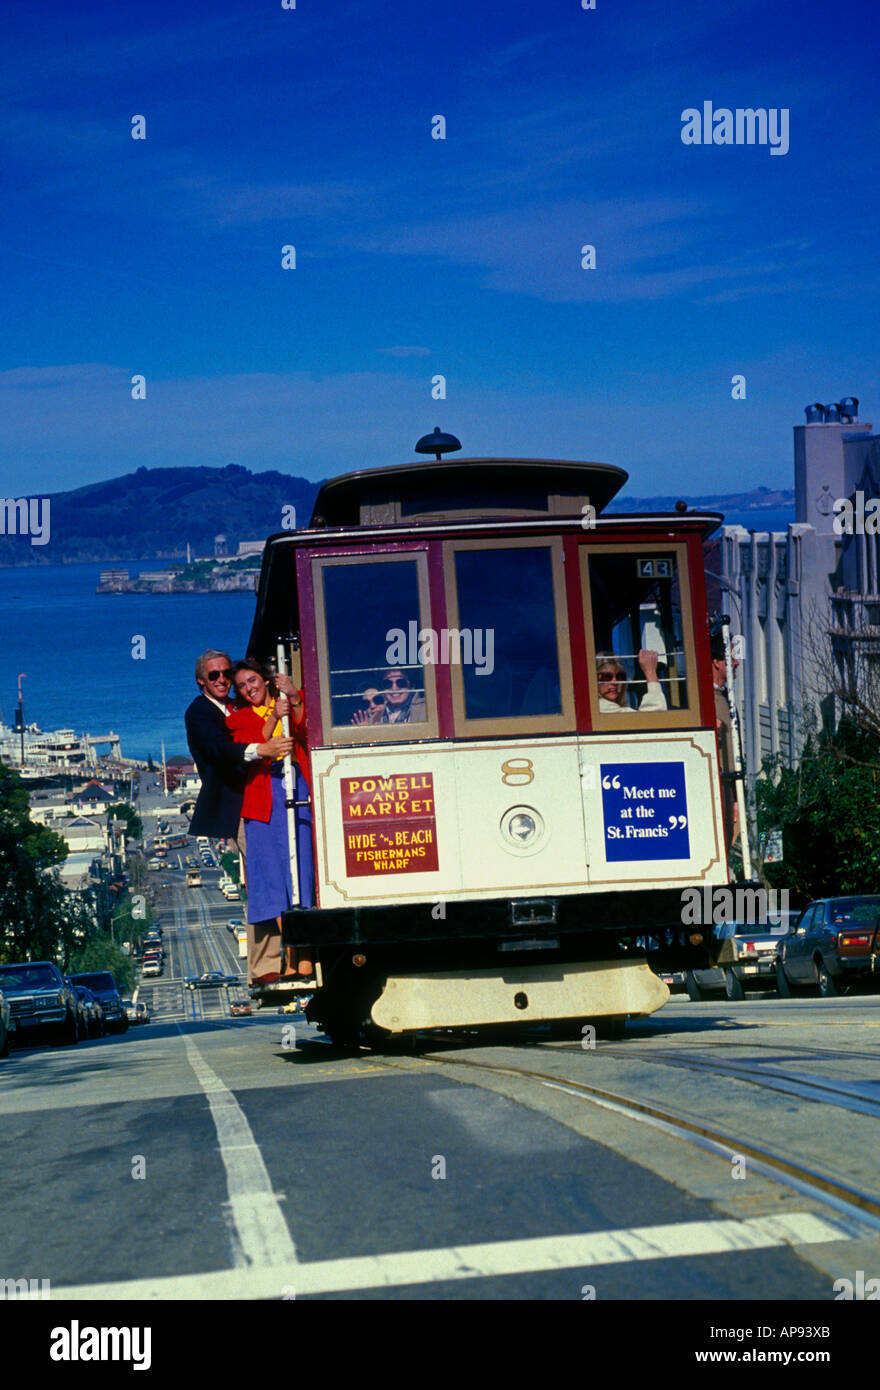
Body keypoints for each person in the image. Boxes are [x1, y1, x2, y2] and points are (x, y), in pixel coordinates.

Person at [228, 658, 316, 981]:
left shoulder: (287, 701)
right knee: (273, 877)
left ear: (266, 680)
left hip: (295, 786)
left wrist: (293, 698)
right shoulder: (240, 718)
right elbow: (247, 746)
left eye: (253, 681)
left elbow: (309, 730)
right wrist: (272, 720)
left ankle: (304, 953)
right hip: (262, 797)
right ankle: (293, 953)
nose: (249, 689)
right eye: (242, 686)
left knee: (301, 870)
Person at [185, 650, 293, 841]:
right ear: (201, 680)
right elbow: (217, 748)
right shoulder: (198, 713)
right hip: (236, 808)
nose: (221, 680)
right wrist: (261, 749)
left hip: (268, 794)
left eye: (226, 674)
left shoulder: (239, 705)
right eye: (213, 675)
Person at [710, 632, 740, 850]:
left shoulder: (724, 697)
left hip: (729, 785)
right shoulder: (706, 699)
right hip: (717, 786)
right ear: (717, 663)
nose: (737, 662)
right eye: (731, 658)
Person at [596, 650, 667, 713]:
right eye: (607, 677)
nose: (614, 682)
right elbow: (654, 717)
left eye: (619, 676)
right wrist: (650, 671)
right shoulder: (602, 707)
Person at [351, 668, 426, 725]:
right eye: (387, 683)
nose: (394, 688)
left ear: (412, 685)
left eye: (401, 683)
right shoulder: (372, 721)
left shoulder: (427, 710)